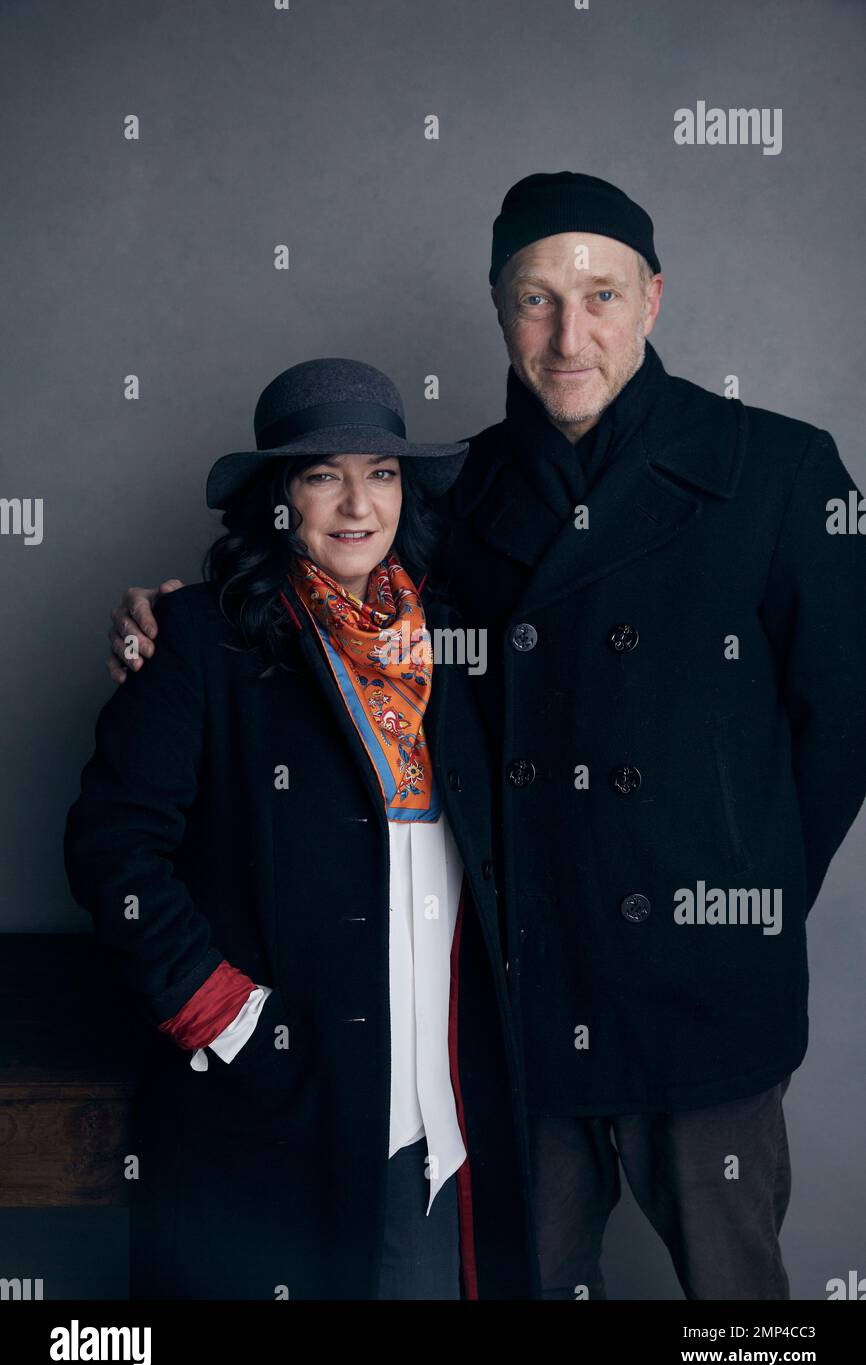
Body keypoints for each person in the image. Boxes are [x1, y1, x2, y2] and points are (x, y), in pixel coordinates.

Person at [105, 172, 866, 1301]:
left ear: (651, 299)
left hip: (701, 987)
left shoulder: (781, 469)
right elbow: (322, 596)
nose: (569, 334)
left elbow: (838, 727)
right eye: (534, 299)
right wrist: (174, 614)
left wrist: (735, 893)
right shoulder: (451, 495)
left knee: (734, 1297)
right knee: (529, 1282)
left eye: (600, 295)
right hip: (521, 995)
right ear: (497, 309)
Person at [65, 357, 539, 1301]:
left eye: (383, 472)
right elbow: (111, 846)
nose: (358, 502)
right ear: (277, 497)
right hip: (278, 1098)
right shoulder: (199, 638)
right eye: (323, 474)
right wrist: (230, 1019)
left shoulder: (457, 641)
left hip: (437, 1110)